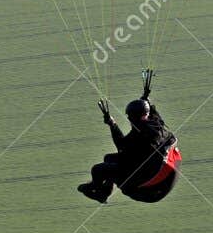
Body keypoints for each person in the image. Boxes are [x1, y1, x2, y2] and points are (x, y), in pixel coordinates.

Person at [77, 71, 180, 204]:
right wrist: (145, 98)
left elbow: (122, 146)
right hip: (158, 172)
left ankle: (96, 190)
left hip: (149, 187)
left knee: (97, 170)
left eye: (129, 117)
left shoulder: (141, 135)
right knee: (108, 158)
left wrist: (112, 124)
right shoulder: (156, 123)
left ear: (133, 118)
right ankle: (105, 192)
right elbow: (151, 112)